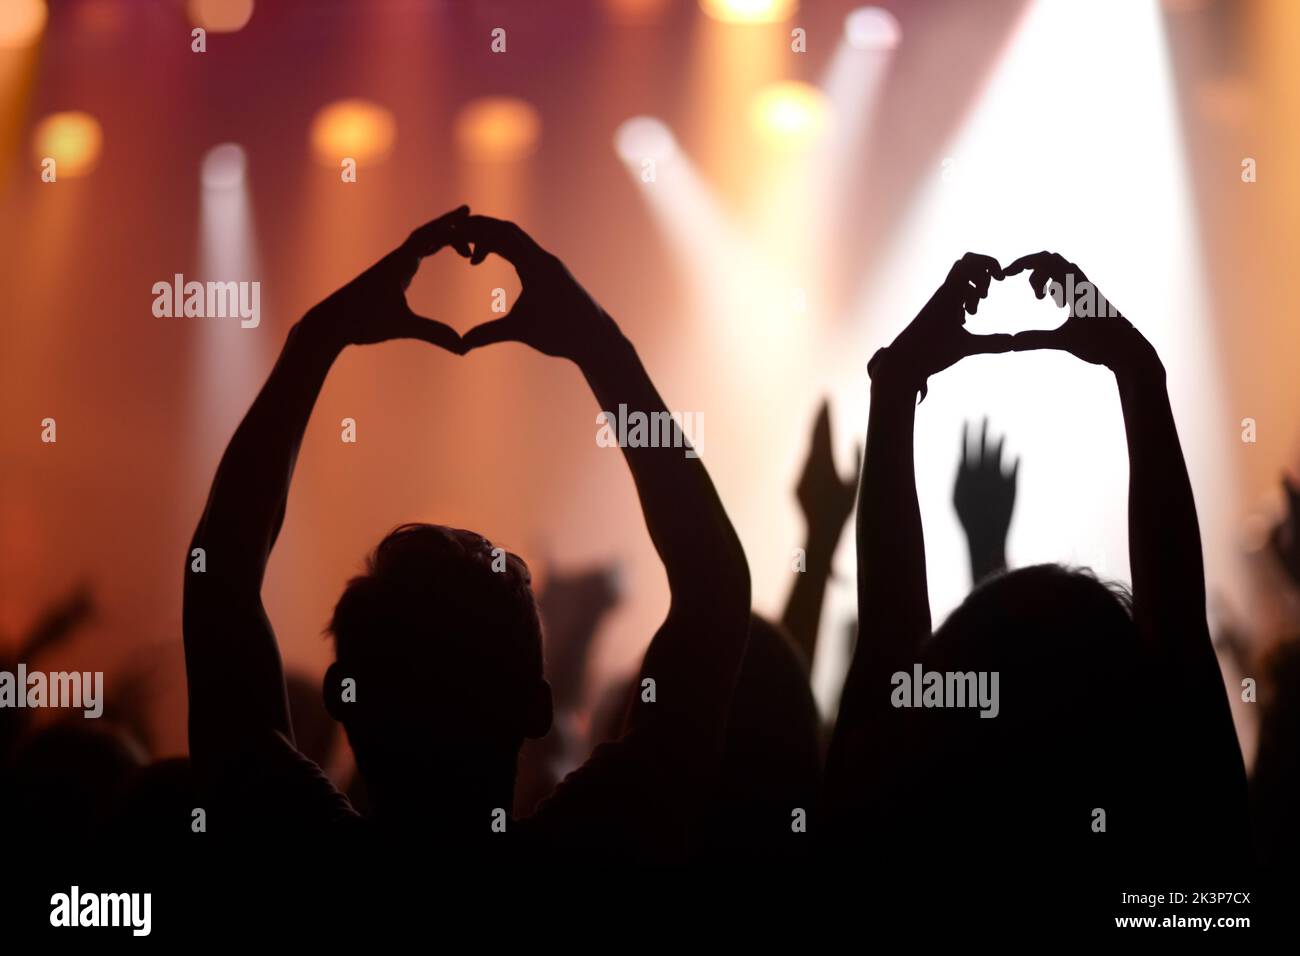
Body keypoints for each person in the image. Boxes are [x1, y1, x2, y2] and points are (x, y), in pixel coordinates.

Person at [182, 208, 751, 861]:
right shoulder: (594, 862)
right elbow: (715, 593)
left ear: (346, 695)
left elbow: (217, 581)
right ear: (537, 708)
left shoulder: (292, 855)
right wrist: (600, 347)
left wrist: (315, 341)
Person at [825, 251, 1249, 870]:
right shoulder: (1186, 857)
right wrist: (1138, 371)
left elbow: (887, 654)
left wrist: (894, 389)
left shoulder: (889, 853)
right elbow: (1180, 640)